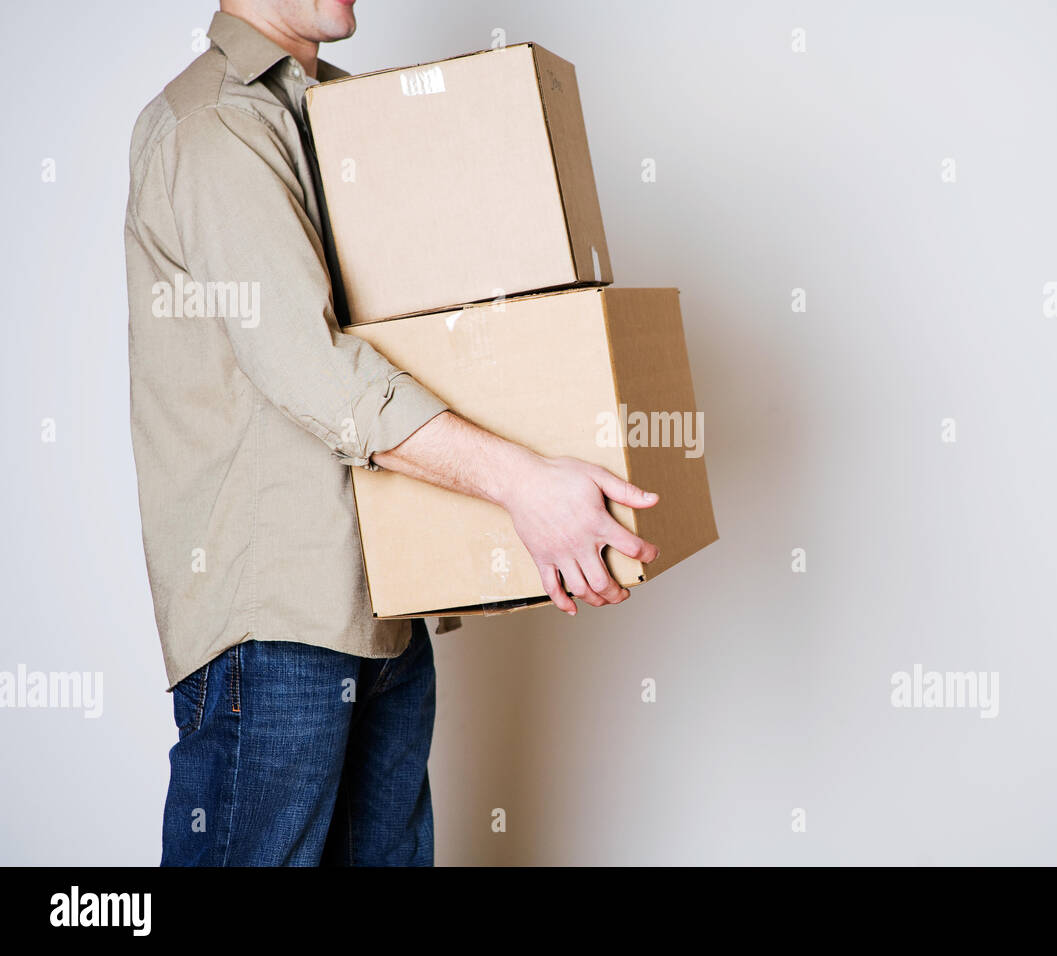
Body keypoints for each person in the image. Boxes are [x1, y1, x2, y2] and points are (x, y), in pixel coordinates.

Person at [124, 0, 659, 866]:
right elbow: (312, 367)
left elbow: (436, 325)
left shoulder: (356, 118)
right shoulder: (218, 124)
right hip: (280, 624)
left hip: (386, 606)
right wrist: (524, 484)